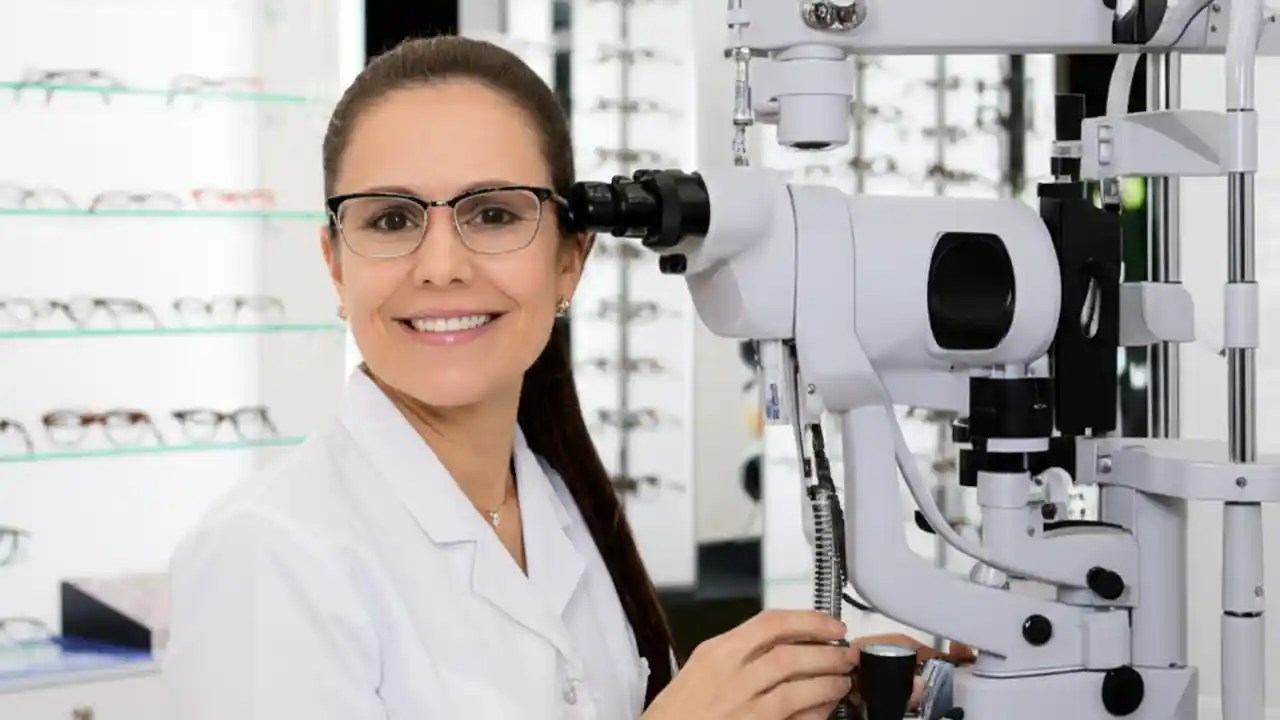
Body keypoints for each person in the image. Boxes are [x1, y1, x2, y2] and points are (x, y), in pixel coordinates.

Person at [163, 35, 972, 719]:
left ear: (568, 266)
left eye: (493, 214)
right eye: (392, 218)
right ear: (336, 266)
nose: (441, 266)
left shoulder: (551, 502)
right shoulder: (267, 559)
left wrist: (789, 694)